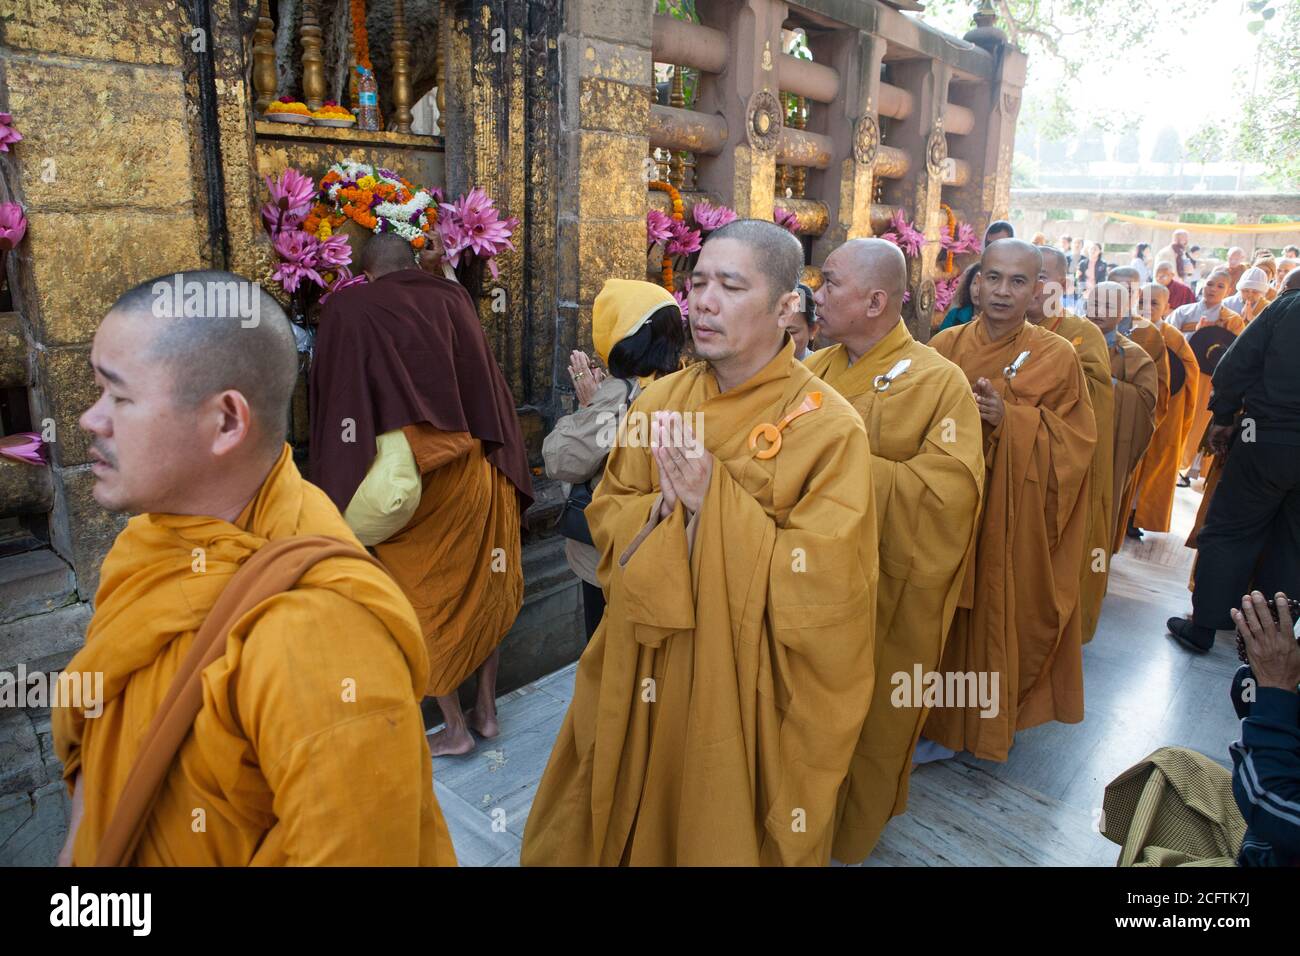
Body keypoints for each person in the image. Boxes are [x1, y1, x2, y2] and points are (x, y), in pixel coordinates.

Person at [53, 271, 457, 866]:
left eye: (119, 396)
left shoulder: (319, 636)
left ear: (226, 422)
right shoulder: (150, 545)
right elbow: (102, 752)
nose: (92, 419)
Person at [521, 219, 879, 866]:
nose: (705, 302)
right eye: (698, 282)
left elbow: (828, 590)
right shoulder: (659, 400)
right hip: (640, 656)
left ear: (784, 307)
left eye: (731, 286)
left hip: (738, 683)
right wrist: (669, 513)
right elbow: (607, 514)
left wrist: (716, 507)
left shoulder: (831, 429)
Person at [310, 233, 534, 757]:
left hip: (415, 477)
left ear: (365, 272)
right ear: (415, 263)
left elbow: (338, 397)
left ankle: (454, 728)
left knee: (425, 596)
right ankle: (487, 710)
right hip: (479, 463)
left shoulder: (348, 307)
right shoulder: (452, 298)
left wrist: (336, 481)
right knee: (483, 586)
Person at [805, 238, 983, 864]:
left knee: (871, 716)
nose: (815, 295)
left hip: (886, 592)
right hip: (807, 588)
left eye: (828, 283)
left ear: (876, 300)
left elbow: (949, 496)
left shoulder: (941, 383)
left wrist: (839, 469)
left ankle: (847, 834)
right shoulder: (814, 368)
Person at [921, 240, 1097, 762]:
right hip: (949, 508)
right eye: (992, 278)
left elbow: (1077, 445)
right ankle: (932, 723)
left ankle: (980, 724)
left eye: (1017, 282)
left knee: (995, 614)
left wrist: (1011, 420)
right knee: (941, 615)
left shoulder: (1056, 354)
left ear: (1038, 290)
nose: (1002, 291)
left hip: (1010, 516)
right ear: (975, 283)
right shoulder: (944, 345)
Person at [1106, 591, 1300, 867]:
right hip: (1264, 834)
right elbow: (1247, 704)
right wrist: (1263, 672)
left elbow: (1269, 800)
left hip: (1273, 828)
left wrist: (1277, 689)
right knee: (1169, 766)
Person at [543, 280, 685, 642]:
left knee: (608, 652)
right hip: (672, 549)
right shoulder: (684, 379)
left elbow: (561, 460)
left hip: (612, 554)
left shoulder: (620, 393)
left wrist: (592, 406)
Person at [1168, 287, 1300, 653]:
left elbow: (1235, 363)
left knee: (1230, 531)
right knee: (1294, 546)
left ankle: (1204, 626)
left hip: (1266, 436)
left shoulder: (1287, 307)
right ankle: (1268, 642)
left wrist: (1224, 415)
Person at [1028, 245, 1112, 643]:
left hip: (1057, 468)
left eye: (1042, 277)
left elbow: (1096, 399)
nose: (1032, 285)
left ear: (1062, 286)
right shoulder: (992, 329)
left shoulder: (1083, 334)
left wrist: (1039, 391)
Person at [1082, 283, 1158, 554]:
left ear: (1125, 310)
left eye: (1109, 306)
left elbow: (1147, 403)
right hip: (1058, 444)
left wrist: (1108, 386)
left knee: (1093, 515)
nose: (1098, 311)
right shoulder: (1063, 341)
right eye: (1094, 303)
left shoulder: (1136, 357)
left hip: (1106, 447)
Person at [1129, 283, 1200, 536]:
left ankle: (1137, 514)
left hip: (1165, 409)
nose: (1146, 309)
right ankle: (1121, 511)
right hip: (1134, 407)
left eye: (1154, 304)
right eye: (1141, 302)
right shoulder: (1130, 329)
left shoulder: (1173, 337)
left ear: (1168, 308)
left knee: (1155, 463)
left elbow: (1189, 372)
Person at [1172, 268, 1244, 480]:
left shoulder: (1231, 320)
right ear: (1203, 283)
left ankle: (1190, 468)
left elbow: (1234, 351)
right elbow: (1170, 340)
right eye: (1210, 284)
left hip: (1209, 379)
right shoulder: (1184, 312)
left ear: (1228, 290)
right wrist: (1197, 332)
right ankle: (1174, 463)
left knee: (1201, 421)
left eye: (1220, 286)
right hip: (1183, 373)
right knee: (1180, 418)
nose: (1213, 289)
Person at [938, 262, 980, 331]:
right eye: (975, 283)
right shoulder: (954, 315)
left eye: (982, 284)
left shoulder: (999, 323)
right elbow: (940, 340)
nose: (977, 289)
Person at [781, 281, 819, 359]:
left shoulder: (822, 369)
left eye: (791, 332)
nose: (779, 339)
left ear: (812, 330)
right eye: (772, 331)